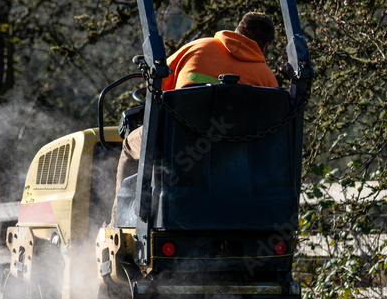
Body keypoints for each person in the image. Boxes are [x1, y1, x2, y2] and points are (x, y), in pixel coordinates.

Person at [111, 12, 278, 224]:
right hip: (233, 159)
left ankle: (119, 222)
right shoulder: (267, 77)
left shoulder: (197, 48)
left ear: (237, 30)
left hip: (178, 146)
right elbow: (271, 127)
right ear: (265, 47)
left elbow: (158, 89)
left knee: (129, 145)